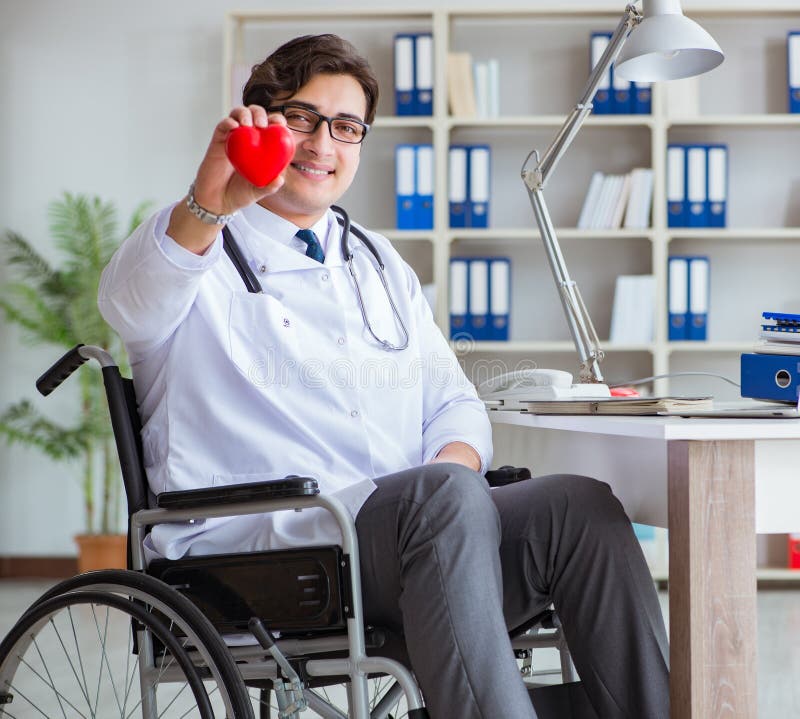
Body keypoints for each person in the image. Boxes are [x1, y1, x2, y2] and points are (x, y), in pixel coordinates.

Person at [99, 33, 669, 719]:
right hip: (268, 556)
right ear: (259, 124)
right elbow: (127, 303)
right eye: (301, 118)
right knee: (442, 500)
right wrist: (209, 203)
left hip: (413, 538)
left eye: (346, 127)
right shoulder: (193, 248)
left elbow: (454, 400)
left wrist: (456, 484)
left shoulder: (377, 260)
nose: (323, 144)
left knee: (580, 509)